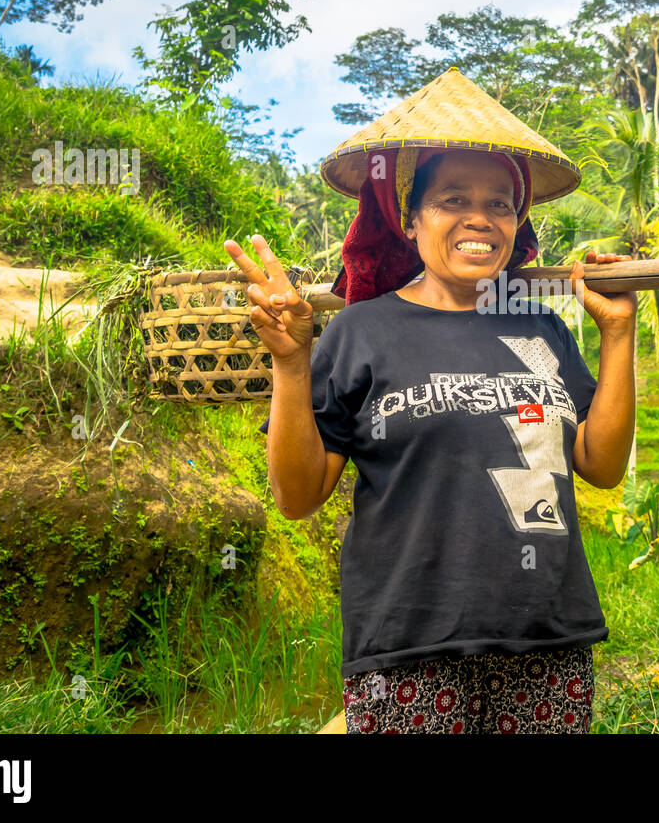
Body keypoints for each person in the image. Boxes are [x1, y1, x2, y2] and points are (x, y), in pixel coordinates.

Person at [224, 68, 637, 733]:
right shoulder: (362, 331)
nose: (481, 217)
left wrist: (618, 335)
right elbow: (298, 496)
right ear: (410, 221)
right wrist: (292, 361)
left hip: (548, 641)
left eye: (500, 204)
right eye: (453, 199)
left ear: (517, 221)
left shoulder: (541, 328)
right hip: (407, 646)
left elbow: (602, 465)